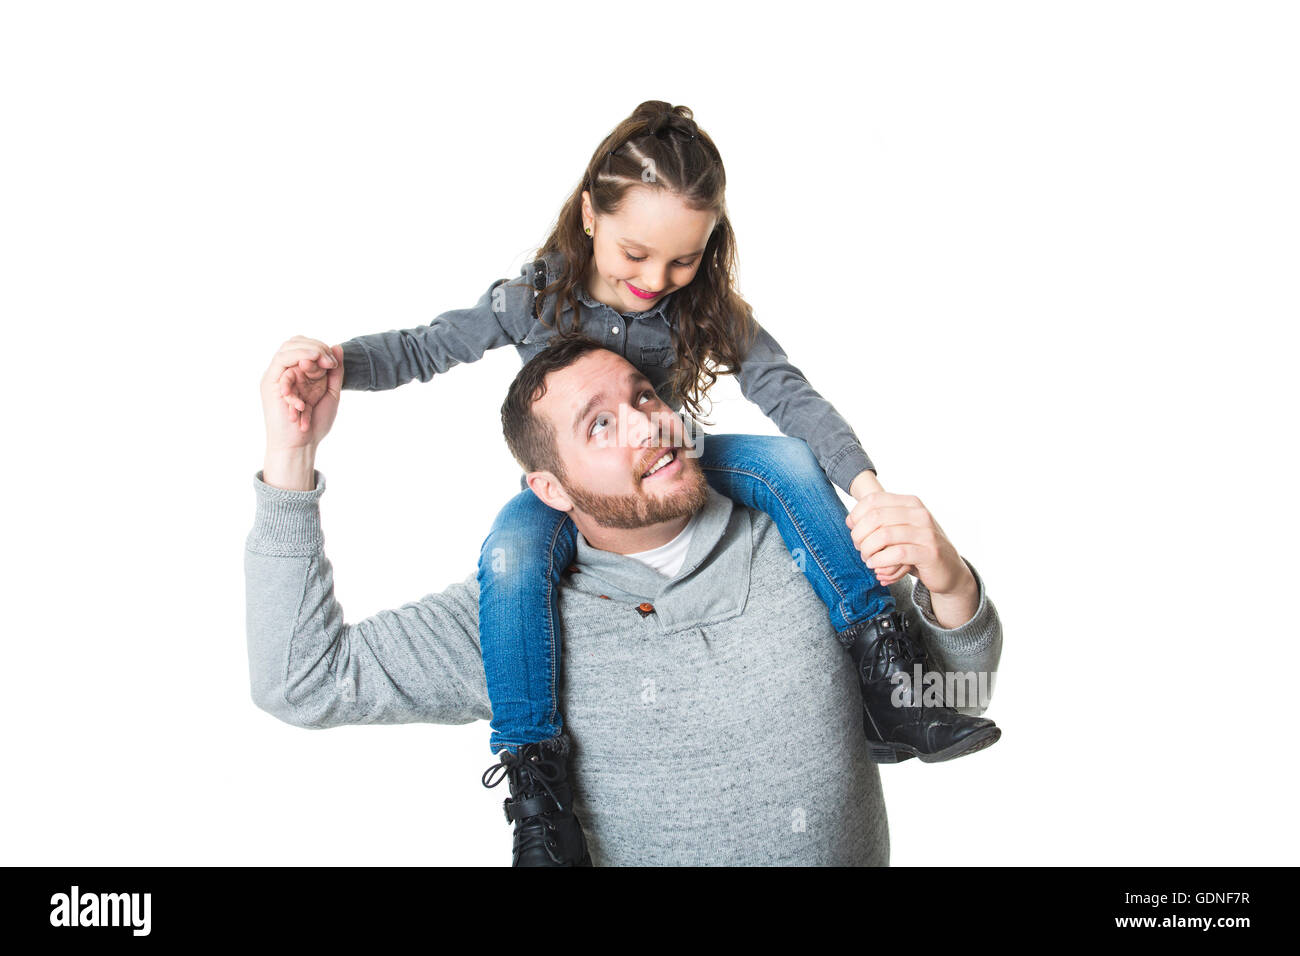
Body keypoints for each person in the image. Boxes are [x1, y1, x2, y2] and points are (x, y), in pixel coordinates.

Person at [275, 100, 999, 865]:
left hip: (685, 457)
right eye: (635, 254)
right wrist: (339, 366)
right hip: (565, 505)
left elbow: (790, 396)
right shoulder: (532, 300)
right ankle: (536, 789)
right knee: (511, 555)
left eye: (682, 261)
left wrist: (876, 496)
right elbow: (429, 347)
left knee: (786, 461)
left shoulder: (708, 314)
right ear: (590, 213)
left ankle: (883, 659)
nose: (656, 281)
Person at [248, 335, 1003, 866]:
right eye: (601, 425)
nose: (649, 424)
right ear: (549, 489)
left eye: (645, 395)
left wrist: (948, 582)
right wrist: (292, 458)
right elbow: (301, 680)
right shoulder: (515, 621)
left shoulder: (806, 540)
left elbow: (959, 696)